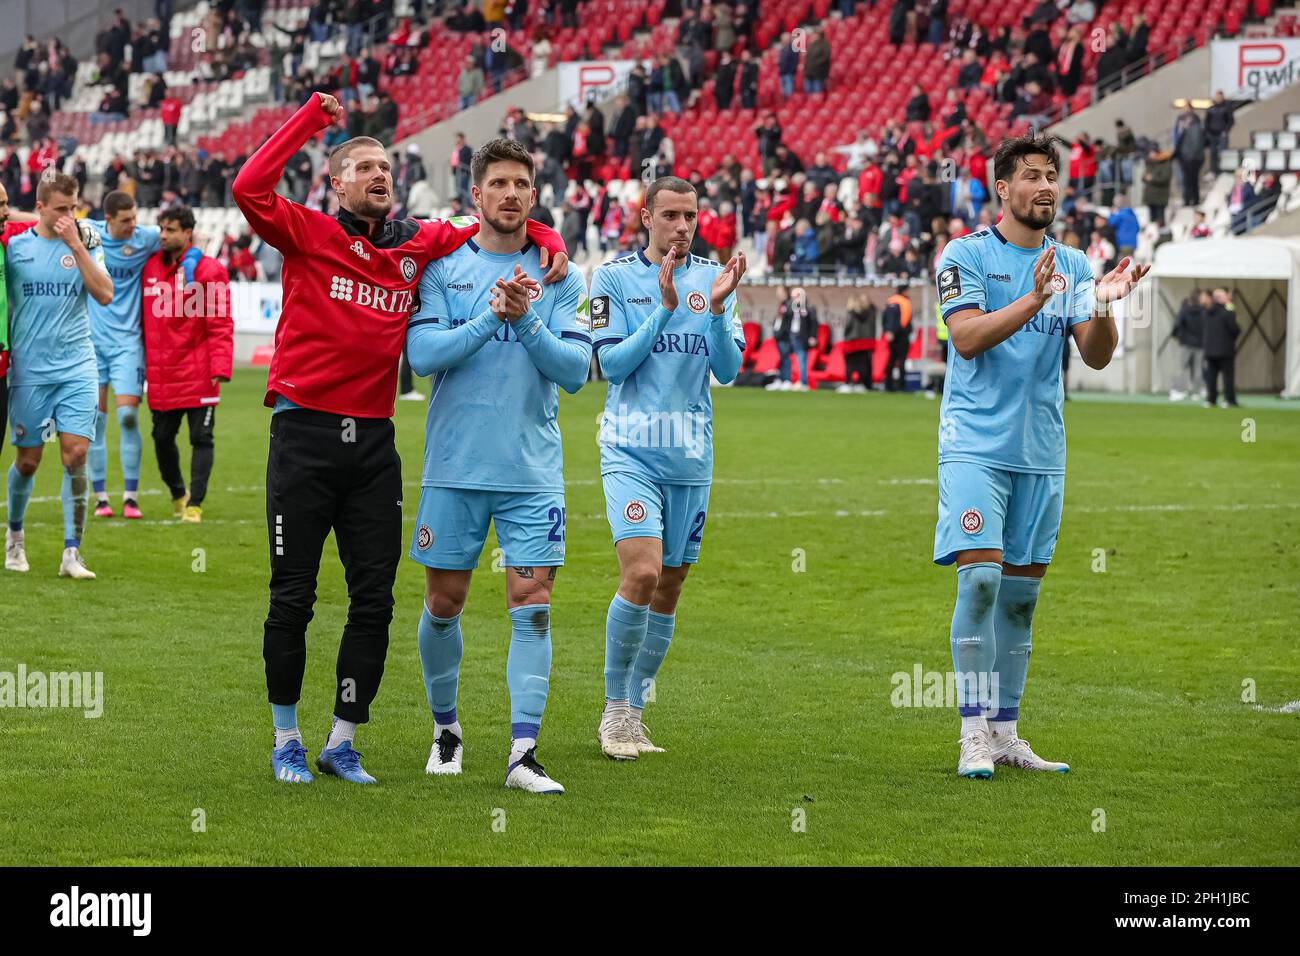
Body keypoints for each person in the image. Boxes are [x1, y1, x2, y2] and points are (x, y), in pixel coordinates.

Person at [231, 91, 568, 786]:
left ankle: (342, 740)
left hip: (373, 446)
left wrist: (553, 240)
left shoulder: (420, 243)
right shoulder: (305, 233)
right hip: (304, 433)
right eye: (362, 167)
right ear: (336, 183)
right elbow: (246, 185)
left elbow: (501, 224)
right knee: (293, 594)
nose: (379, 174)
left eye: (385, 165)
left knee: (375, 598)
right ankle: (285, 738)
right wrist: (311, 122)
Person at [933, 133, 1148, 778]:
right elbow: (966, 337)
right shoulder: (964, 255)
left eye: (1052, 175)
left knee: (1021, 600)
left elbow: (1097, 353)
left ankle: (1006, 733)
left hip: (1042, 452)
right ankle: (972, 730)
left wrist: (1104, 306)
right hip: (975, 445)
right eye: (1031, 176)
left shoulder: (1075, 264)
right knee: (980, 580)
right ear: (1003, 189)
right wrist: (1034, 297)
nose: (1046, 186)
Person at [405, 139, 591, 794]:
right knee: (443, 601)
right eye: (499, 183)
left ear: (533, 196)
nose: (511, 194)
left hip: (530, 473)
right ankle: (446, 729)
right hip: (455, 467)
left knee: (532, 605)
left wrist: (530, 321)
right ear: (475, 196)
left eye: (522, 184)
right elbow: (424, 355)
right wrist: (493, 315)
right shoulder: (442, 268)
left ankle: (523, 753)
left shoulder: (560, 275)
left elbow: (574, 372)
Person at [589, 176, 746, 759]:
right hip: (630, 450)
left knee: (671, 585)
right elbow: (612, 365)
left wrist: (719, 309)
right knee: (643, 574)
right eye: (672, 216)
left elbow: (727, 370)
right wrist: (663, 310)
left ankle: (634, 710)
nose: (683, 227)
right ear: (646, 218)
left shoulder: (714, 278)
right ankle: (613, 711)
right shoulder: (612, 278)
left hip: (690, 457)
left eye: (691, 216)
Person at [4, 173, 114, 578]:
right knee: (29, 461)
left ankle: (72, 552)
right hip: (30, 369)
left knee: (76, 454)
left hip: (77, 365)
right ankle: (15, 538)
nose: (70, 216)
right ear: (40, 208)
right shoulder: (15, 248)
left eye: (74, 208)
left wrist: (75, 246)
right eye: (61, 209)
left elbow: (104, 293)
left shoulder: (87, 241)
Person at [85, 191, 201, 520]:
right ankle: (101, 497)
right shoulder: (90, 233)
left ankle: (131, 497)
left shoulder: (145, 238)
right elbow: (46, 219)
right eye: (126, 221)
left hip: (127, 343)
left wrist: (190, 262)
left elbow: (188, 238)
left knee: (127, 417)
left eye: (136, 218)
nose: (134, 225)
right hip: (92, 343)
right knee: (95, 420)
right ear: (108, 220)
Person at [140, 205, 232, 523]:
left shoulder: (210, 270)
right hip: (163, 372)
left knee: (201, 438)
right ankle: (178, 492)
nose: (163, 236)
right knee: (162, 438)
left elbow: (220, 321)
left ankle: (195, 504)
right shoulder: (149, 267)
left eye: (171, 230)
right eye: (161, 229)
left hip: (200, 369)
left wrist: (220, 366)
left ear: (188, 233)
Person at [1202, 287, 1239, 408]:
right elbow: (1234, 329)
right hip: (1225, 350)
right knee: (1228, 377)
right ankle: (1229, 400)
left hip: (1210, 351)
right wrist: (1230, 308)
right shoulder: (1227, 312)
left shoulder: (1207, 311)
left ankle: (1211, 400)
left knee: (1211, 377)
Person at [1169, 289, 1206, 402]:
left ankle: (1177, 391)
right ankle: (1196, 392)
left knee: (1180, 368)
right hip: (1200, 343)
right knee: (1198, 369)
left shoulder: (1184, 309)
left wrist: (1177, 336)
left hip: (1185, 342)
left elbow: (1177, 324)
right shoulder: (1204, 311)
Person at [881, 284, 913, 390]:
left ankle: (893, 384)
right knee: (896, 361)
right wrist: (890, 331)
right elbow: (890, 318)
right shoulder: (897, 302)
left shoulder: (897, 301)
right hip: (898, 336)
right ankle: (894, 385)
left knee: (895, 361)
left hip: (901, 335)